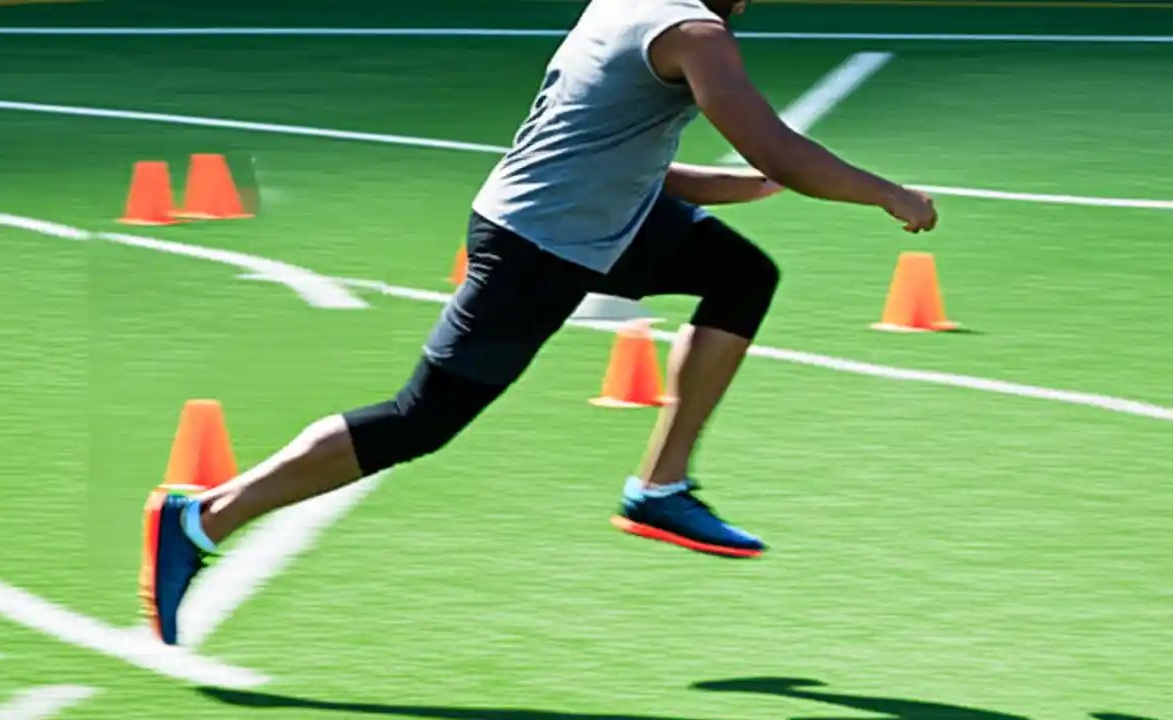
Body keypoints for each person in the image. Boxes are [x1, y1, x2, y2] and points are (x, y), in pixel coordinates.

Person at [140, 0, 937, 645]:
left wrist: (730, 189)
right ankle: (202, 518)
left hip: (599, 218)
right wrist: (888, 194)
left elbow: (600, 142)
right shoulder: (695, 35)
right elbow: (778, 152)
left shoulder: (626, 5)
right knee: (419, 421)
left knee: (741, 275)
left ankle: (660, 487)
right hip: (540, 245)